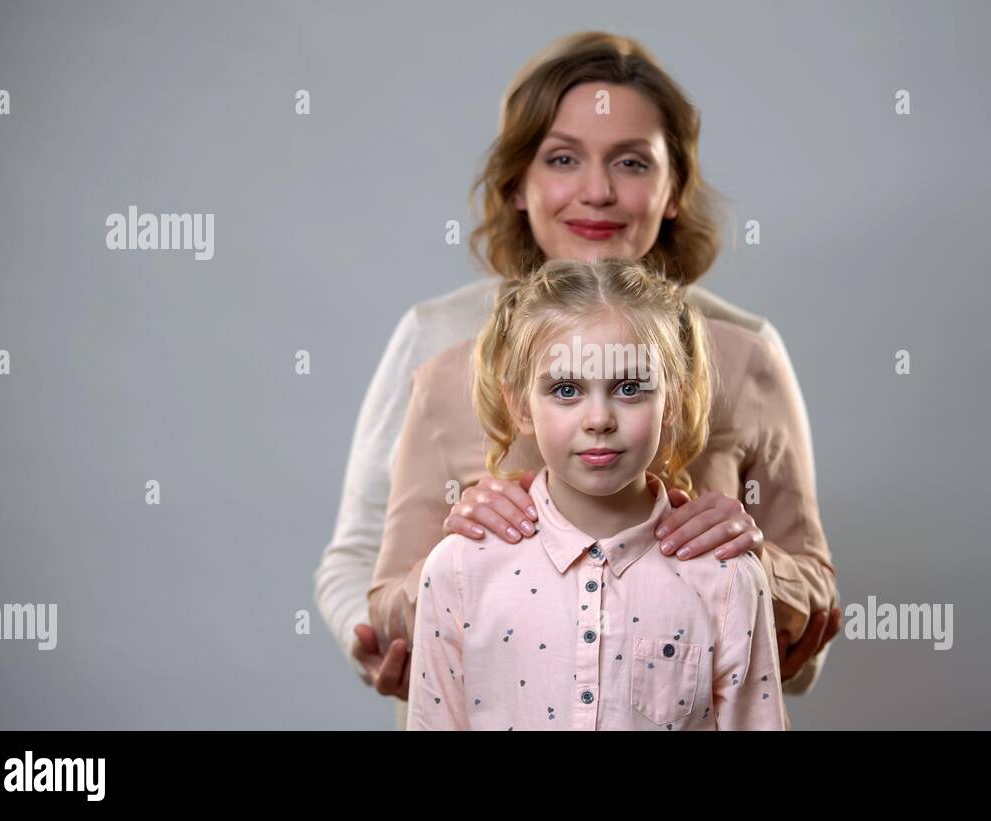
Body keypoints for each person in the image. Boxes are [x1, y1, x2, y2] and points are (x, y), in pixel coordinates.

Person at [312, 31, 841, 730]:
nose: (597, 191)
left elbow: (813, 622)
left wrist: (749, 563)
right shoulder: (437, 345)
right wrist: (418, 607)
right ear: (518, 186)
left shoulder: (746, 354)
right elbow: (361, 572)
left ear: (674, 187)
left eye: (630, 162)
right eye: (563, 159)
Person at [408, 257, 785, 730]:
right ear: (521, 407)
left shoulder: (727, 578)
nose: (599, 419)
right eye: (566, 389)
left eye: (629, 387)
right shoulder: (459, 569)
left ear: (673, 400)